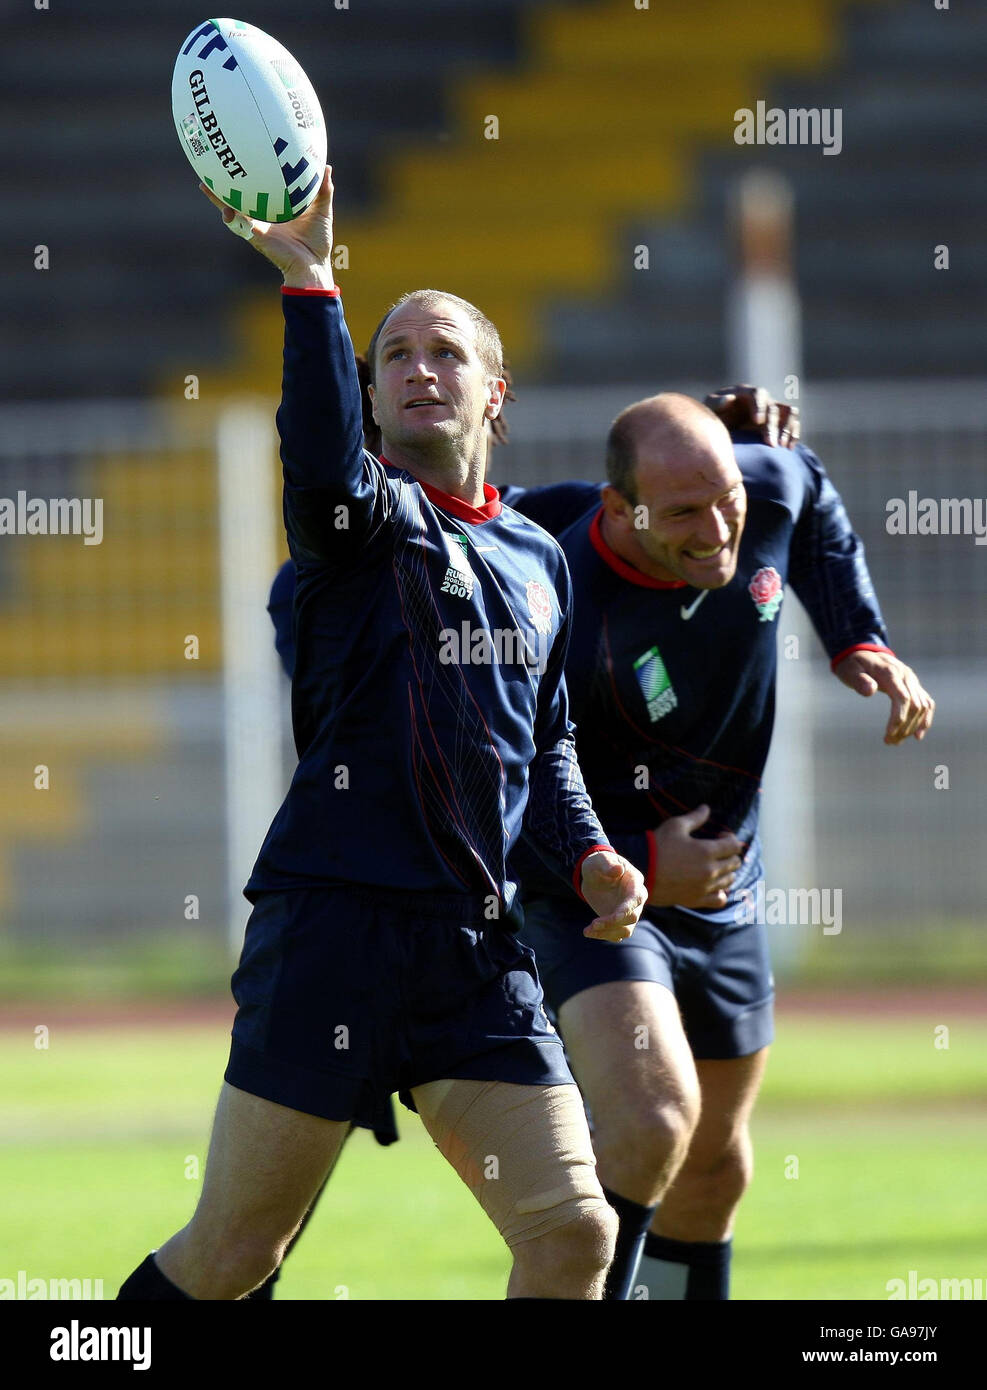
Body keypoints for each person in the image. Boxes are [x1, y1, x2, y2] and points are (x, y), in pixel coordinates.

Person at [116, 168, 647, 1302]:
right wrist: (314, 284)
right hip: (335, 931)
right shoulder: (363, 524)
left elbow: (544, 742)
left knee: (573, 1233)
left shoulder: (539, 560)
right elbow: (317, 459)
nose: (417, 367)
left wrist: (590, 852)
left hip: (474, 950)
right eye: (395, 354)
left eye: (445, 350)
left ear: (496, 392)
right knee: (230, 1257)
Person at [498, 392, 935, 1299]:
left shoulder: (763, 489)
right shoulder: (556, 600)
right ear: (618, 511)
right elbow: (506, 784)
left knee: (712, 1171)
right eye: (684, 513)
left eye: (725, 498)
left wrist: (855, 632)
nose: (718, 530)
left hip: (726, 889)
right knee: (653, 1123)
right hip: (593, 894)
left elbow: (807, 491)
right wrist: (647, 868)